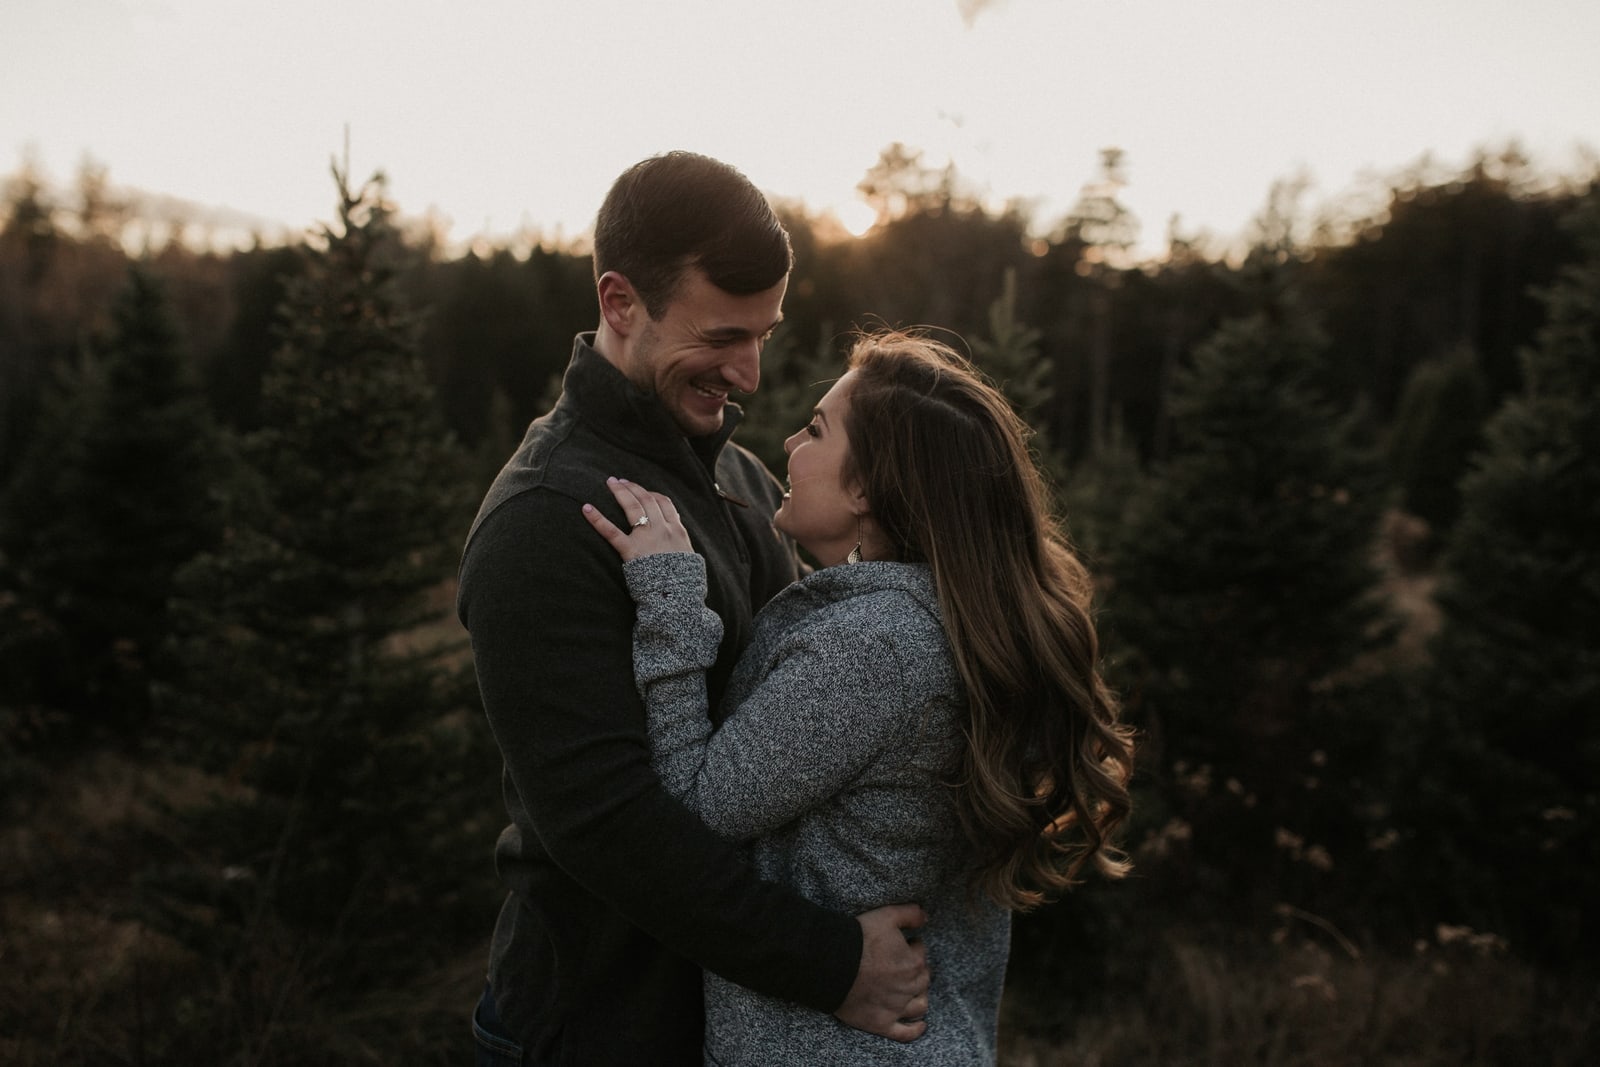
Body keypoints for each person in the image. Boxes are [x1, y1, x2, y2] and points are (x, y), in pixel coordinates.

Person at [457, 153, 930, 1066]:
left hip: (731, 1015)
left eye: (764, 333)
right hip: (598, 1028)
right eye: (722, 336)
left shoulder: (739, 475)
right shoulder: (546, 522)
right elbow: (608, 828)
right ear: (621, 303)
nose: (749, 374)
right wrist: (832, 963)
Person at [582, 330, 1138, 1065]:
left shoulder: (874, 646)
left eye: (815, 429)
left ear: (867, 487)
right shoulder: (948, 621)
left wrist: (671, 596)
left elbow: (692, 812)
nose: (788, 440)